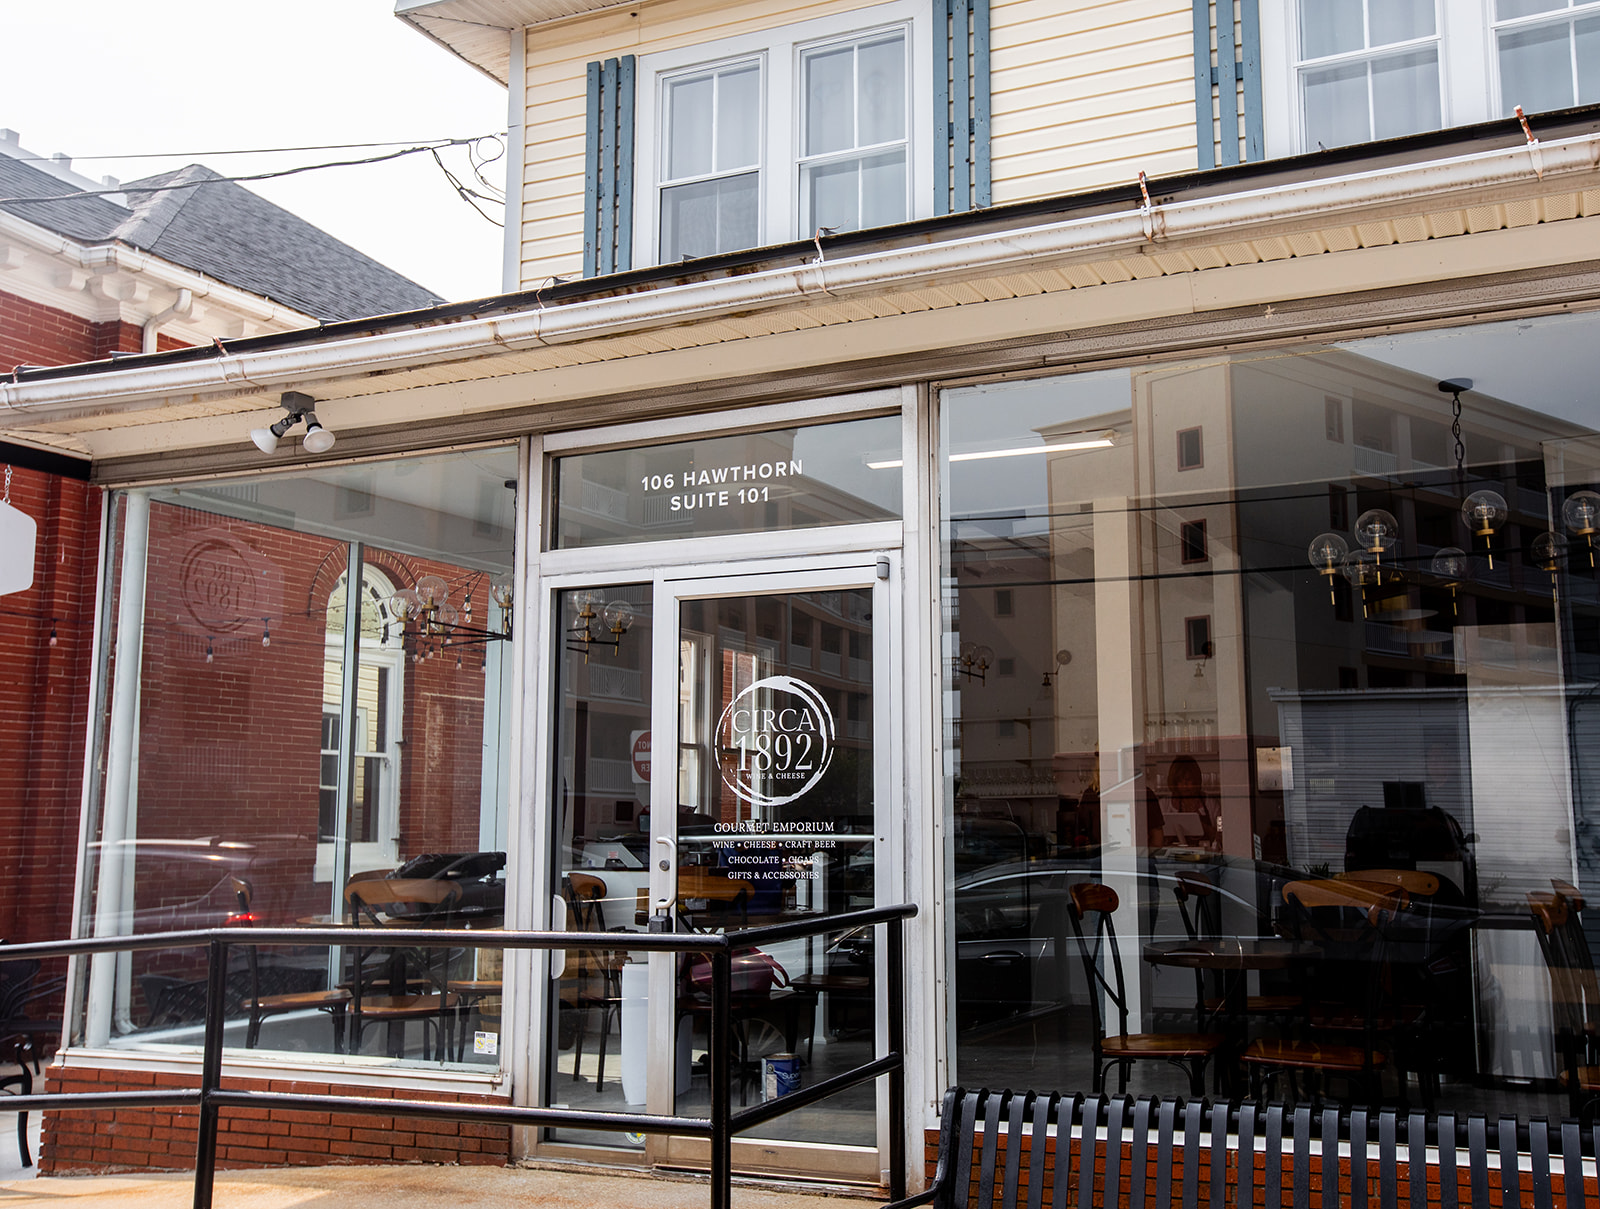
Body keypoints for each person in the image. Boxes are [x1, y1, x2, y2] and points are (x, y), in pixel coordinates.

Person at [1149, 755, 1220, 850]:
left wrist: (1203, 828)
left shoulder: (1211, 804)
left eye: (1188, 780)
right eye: (1180, 781)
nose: (1185, 785)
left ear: (1196, 780)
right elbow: (1154, 837)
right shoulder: (1164, 804)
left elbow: (1222, 835)